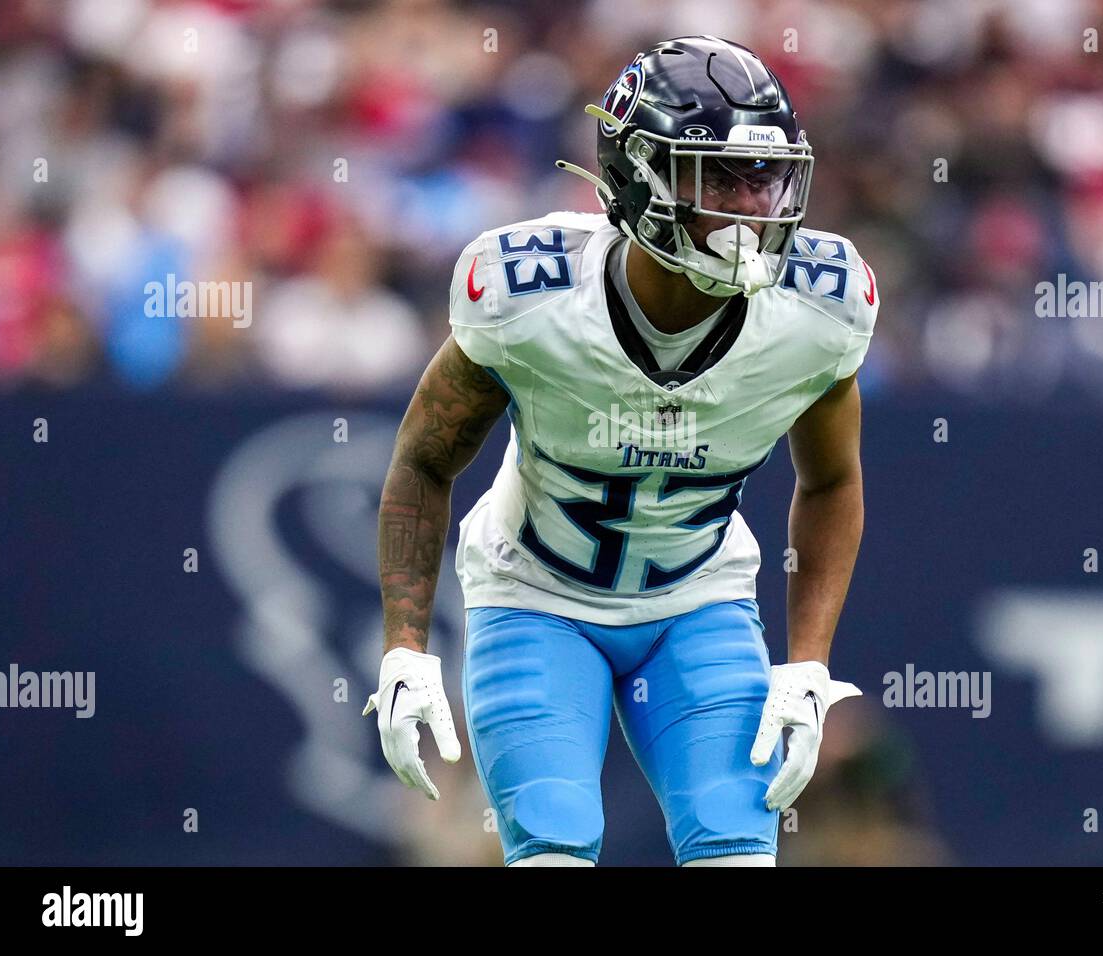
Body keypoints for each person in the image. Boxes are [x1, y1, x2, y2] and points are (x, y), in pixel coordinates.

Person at [363, 35, 878, 867]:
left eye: (764, 177)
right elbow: (425, 460)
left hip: (698, 599)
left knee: (737, 850)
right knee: (556, 846)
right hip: (537, 596)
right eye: (719, 178)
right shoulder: (533, 298)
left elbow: (833, 480)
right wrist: (404, 645)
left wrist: (808, 663)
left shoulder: (818, 308)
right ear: (640, 177)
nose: (752, 207)